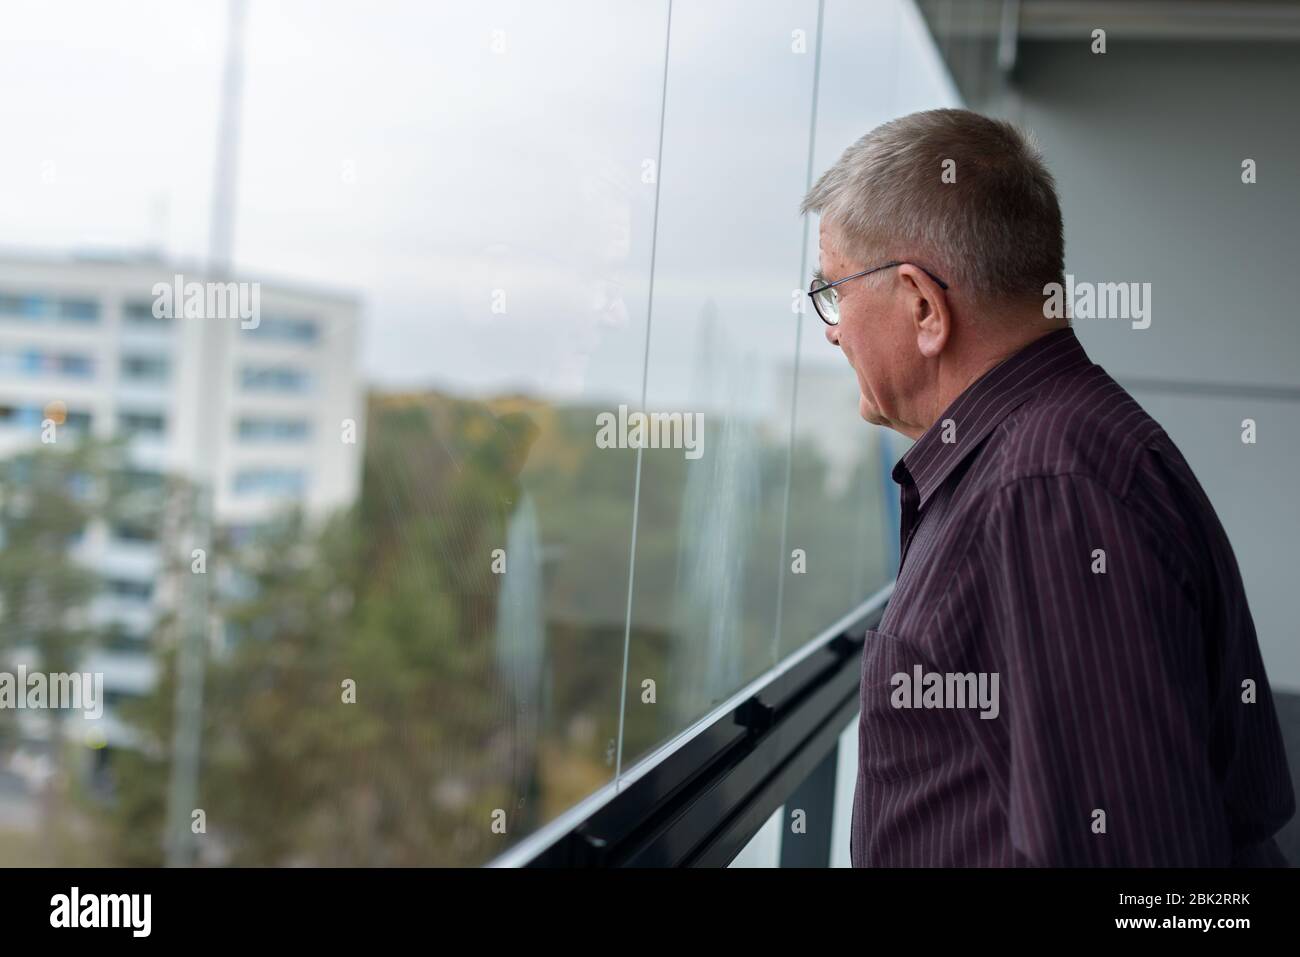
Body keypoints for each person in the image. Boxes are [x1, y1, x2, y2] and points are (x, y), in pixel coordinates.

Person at [801, 108, 1294, 866]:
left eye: (832, 289)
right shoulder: (1056, 455)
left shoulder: (1046, 490)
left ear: (923, 307)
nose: (831, 329)